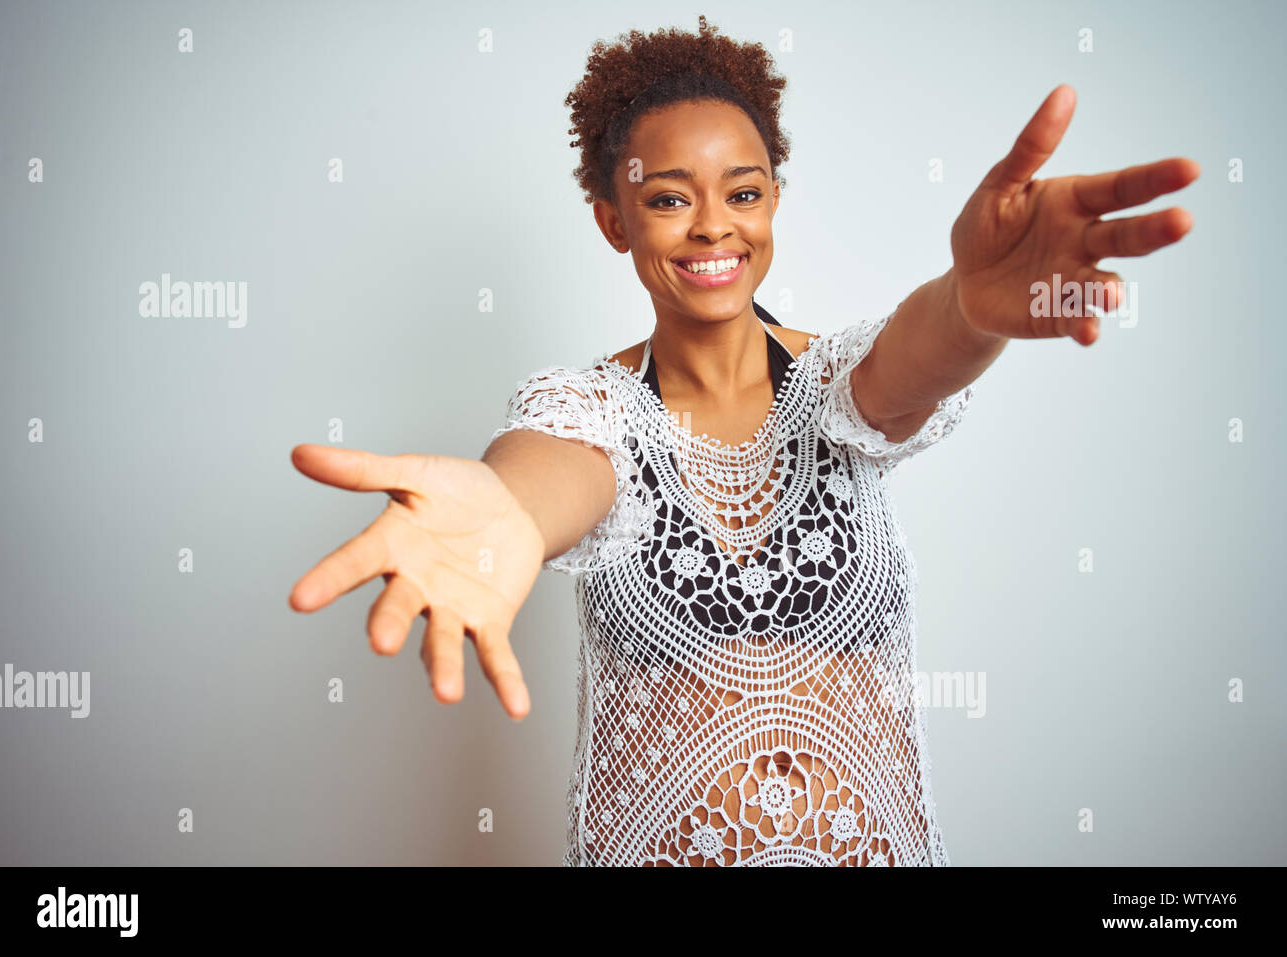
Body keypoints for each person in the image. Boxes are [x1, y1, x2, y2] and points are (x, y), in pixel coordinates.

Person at [288, 16, 1198, 865]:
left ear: (773, 202)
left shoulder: (839, 380)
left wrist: (968, 305)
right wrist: (509, 514)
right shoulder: (593, 409)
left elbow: (910, 366)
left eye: (744, 192)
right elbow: (554, 472)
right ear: (614, 219)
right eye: (670, 198)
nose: (714, 225)